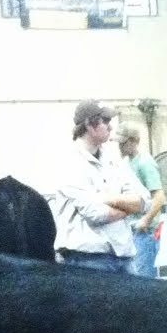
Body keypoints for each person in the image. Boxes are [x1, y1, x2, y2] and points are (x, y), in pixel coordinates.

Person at [50, 99, 142, 273]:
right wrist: (129, 207)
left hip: (123, 257)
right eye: (105, 121)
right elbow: (96, 214)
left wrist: (107, 199)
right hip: (87, 261)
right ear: (89, 125)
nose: (110, 127)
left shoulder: (113, 159)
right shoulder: (69, 163)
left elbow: (143, 200)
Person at [116, 122, 165, 278]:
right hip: (134, 230)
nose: (120, 146)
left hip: (145, 232)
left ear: (134, 140)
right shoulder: (128, 162)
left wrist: (146, 220)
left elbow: (159, 197)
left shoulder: (145, 163)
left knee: (142, 279)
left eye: (123, 143)